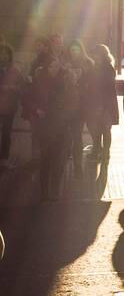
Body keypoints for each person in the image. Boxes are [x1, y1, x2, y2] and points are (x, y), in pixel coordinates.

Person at [25, 55, 72, 200]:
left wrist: (65, 114)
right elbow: (28, 99)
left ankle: (55, 189)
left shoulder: (66, 80)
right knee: (46, 160)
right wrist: (37, 109)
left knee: (58, 160)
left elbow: (72, 100)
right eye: (52, 66)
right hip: (45, 125)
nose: (55, 69)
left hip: (60, 125)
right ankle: (44, 190)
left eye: (57, 66)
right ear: (47, 67)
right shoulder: (39, 81)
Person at [65, 40, 94, 176]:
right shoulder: (64, 63)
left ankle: (77, 166)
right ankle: (63, 161)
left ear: (81, 50)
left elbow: (93, 84)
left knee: (77, 135)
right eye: (72, 50)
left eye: (76, 50)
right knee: (66, 136)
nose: (74, 53)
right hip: (66, 106)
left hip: (80, 107)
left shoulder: (88, 64)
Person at [87, 44, 119, 162]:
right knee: (96, 129)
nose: (95, 57)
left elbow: (108, 89)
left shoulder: (108, 69)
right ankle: (97, 150)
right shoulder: (94, 67)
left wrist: (102, 106)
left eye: (97, 54)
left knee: (105, 129)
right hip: (96, 104)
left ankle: (105, 152)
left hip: (106, 105)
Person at [0, 42, 23, 167]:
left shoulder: (15, 70)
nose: (3, 56)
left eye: (5, 54)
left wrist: (12, 88)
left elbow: (22, 87)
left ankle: (4, 159)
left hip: (9, 107)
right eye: (1, 53)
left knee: (6, 133)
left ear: (10, 55)